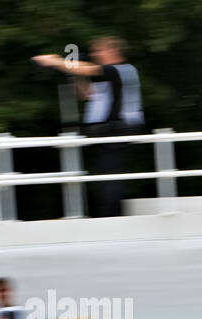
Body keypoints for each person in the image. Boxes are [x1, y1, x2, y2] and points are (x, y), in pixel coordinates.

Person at [33, 36, 145, 217]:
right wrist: (73, 73)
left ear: (112, 51)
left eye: (98, 50)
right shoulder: (108, 75)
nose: (94, 54)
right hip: (107, 131)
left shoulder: (120, 69)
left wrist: (55, 61)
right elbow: (87, 94)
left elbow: (87, 69)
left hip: (118, 129)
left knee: (109, 175)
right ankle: (110, 214)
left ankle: (111, 216)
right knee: (105, 174)